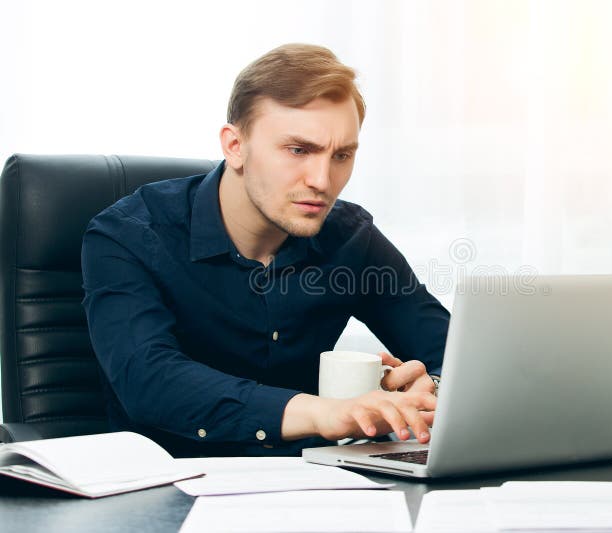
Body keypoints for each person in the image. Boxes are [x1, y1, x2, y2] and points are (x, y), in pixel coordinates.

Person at [81, 44, 450, 457]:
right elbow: (148, 380)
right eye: (298, 150)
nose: (322, 180)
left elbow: (455, 353)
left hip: (319, 486)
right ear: (235, 145)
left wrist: (431, 386)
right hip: (170, 487)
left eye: (342, 155)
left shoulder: (349, 236)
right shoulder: (128, 235)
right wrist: (322, 414)